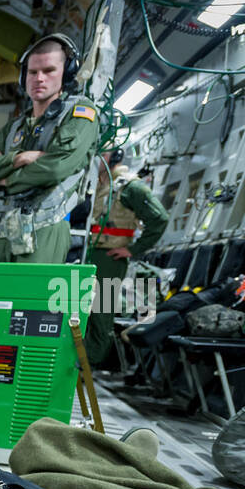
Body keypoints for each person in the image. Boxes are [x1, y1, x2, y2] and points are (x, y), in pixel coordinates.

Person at [0, 34, 97, 296]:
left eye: (49, 70)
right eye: (33, 72)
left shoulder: (81, 114)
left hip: (43, 230)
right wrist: (17, 158)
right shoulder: (14, 127)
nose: (39, 78)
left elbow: (56, 168)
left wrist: (5, 177)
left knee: (24, 315)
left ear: (66, 73)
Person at [84, 149, 169, 366]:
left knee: (101, 313)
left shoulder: (131, 187)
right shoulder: (102, 185)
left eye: (103, 153)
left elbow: (159, 219)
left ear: (114, 156)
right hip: (93, 253)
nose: (97, 157)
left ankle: (90, 362)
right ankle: (82, 359)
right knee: (86, 310)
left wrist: (133, 249)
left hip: (110, 258)